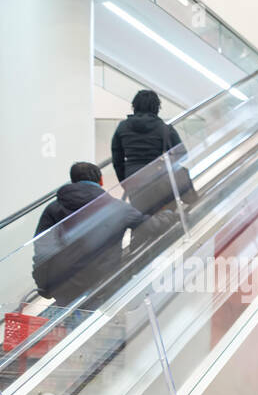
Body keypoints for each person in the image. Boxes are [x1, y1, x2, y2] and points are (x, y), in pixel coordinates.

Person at [31, 162, 174, 308]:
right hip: (101, 281)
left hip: (63, 283)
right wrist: (169, 215)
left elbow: (42, 248)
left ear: (73, 182)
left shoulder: (53, 208)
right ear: (101, 181)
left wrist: (43, 282)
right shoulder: (118, 208)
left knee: (68, 321)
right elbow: (150, 226)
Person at [111, 89, 193, 214]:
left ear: (134, 106)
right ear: (157, 107)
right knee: (166, 216)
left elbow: (117, 160)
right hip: (160, 177)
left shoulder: (122, 127)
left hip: (134, 178)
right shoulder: (164, 128)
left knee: (142, 218)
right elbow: (182, 154)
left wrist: (126, 181)